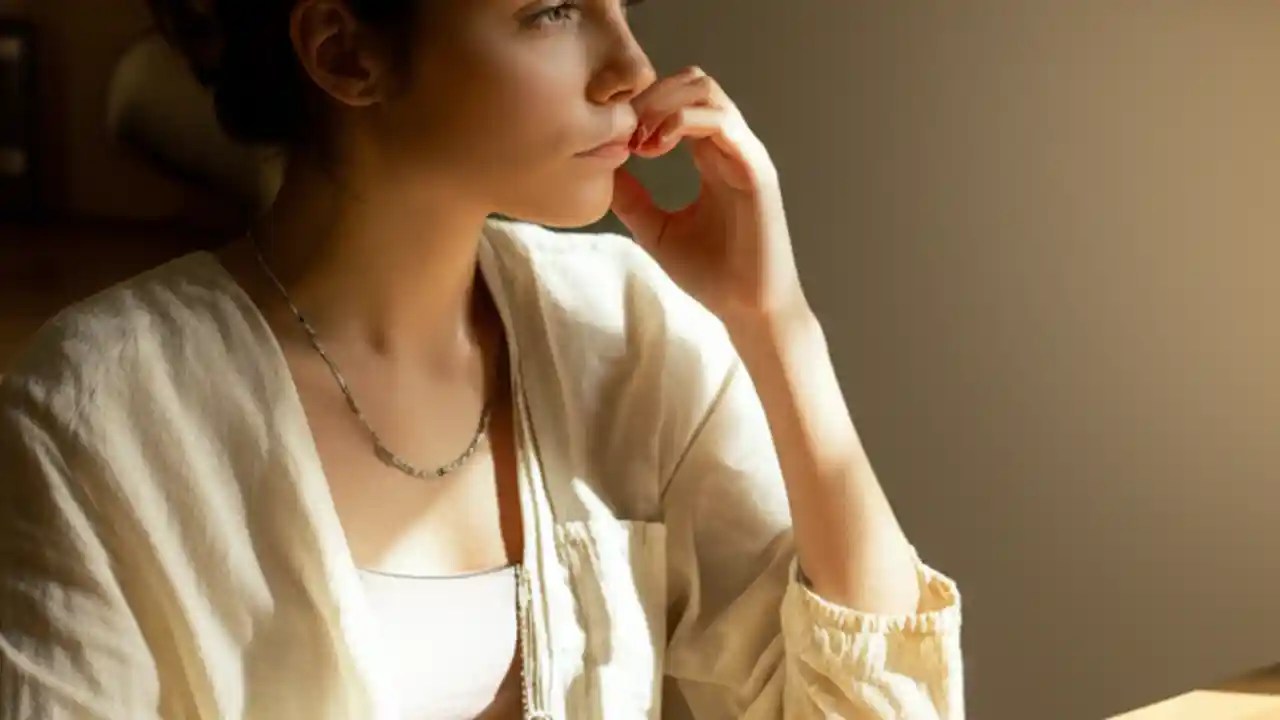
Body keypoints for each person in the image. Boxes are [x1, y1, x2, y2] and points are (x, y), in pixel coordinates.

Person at [0, 0, 964, 717]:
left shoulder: (627, 334)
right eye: (552, 10)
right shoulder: (94, 414)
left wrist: (776, 325)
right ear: (345, 53)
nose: (630, 66)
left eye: (620, 5)